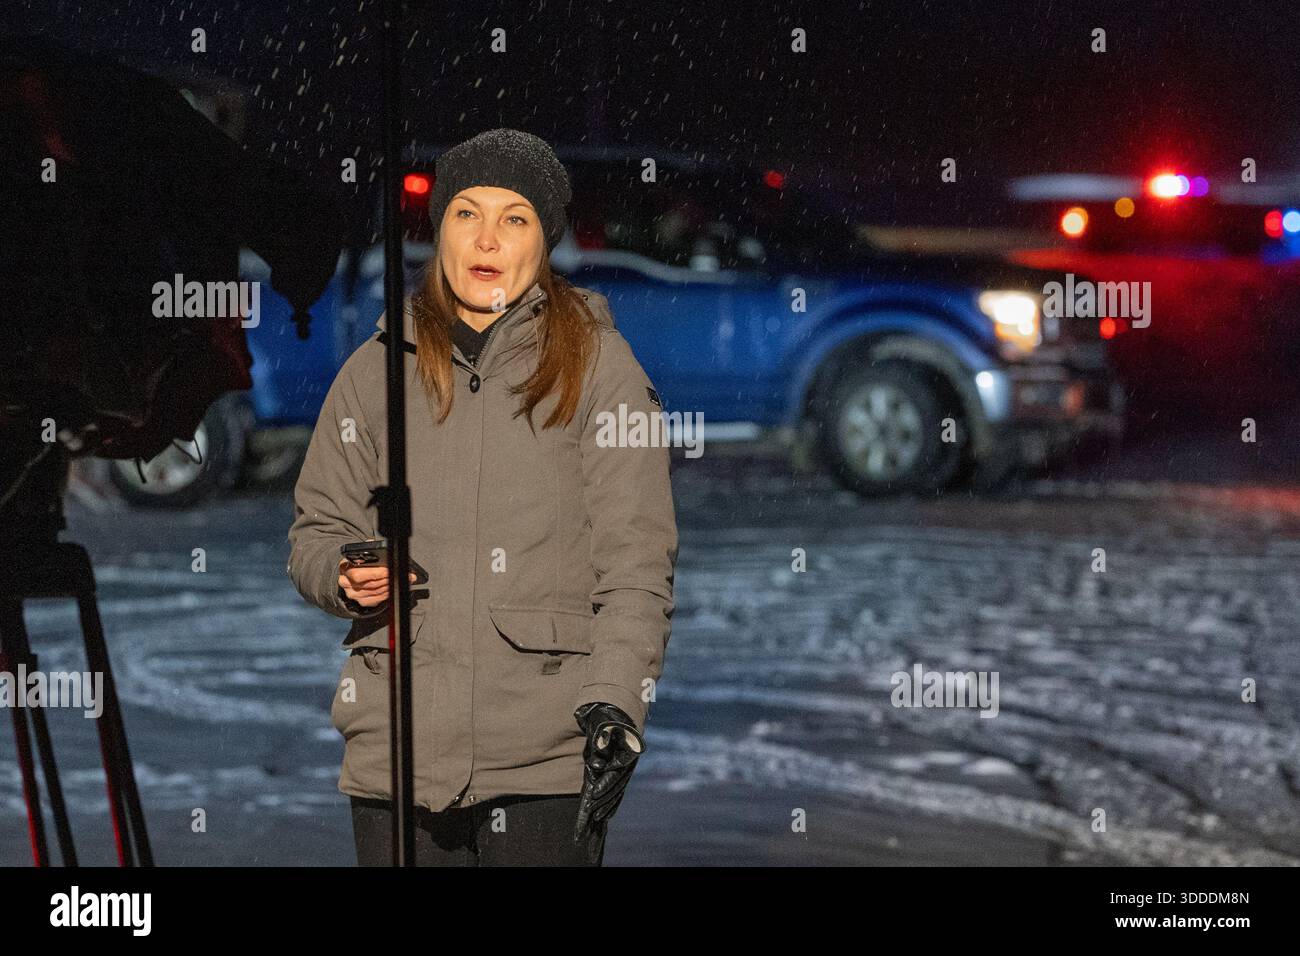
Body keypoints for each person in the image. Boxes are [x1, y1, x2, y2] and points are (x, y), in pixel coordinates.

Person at [286, 128, 679, 866]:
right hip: (394, 755)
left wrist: (618, 703)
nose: (487, 238)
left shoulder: (600, 369)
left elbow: (636, 567)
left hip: (545, 761)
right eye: (467, 213)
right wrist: (345, 570)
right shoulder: (376, 371)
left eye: (515, 218)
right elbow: (316, 528)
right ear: (439, 232)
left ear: (545, 241)